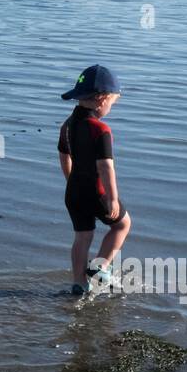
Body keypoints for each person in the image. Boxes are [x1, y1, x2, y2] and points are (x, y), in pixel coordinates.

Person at [58, 65, 132, 296]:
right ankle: (99, 267)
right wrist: (112, 199)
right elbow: (105, 166)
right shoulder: (100, 129)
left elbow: (64, 154)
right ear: (102, 99)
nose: (111, 107)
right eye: (113, 102)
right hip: (96, 191)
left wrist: (70, 179)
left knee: (82, 236)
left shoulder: (68, 124)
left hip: (74, 191)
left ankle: (79, 283)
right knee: (122, 224)